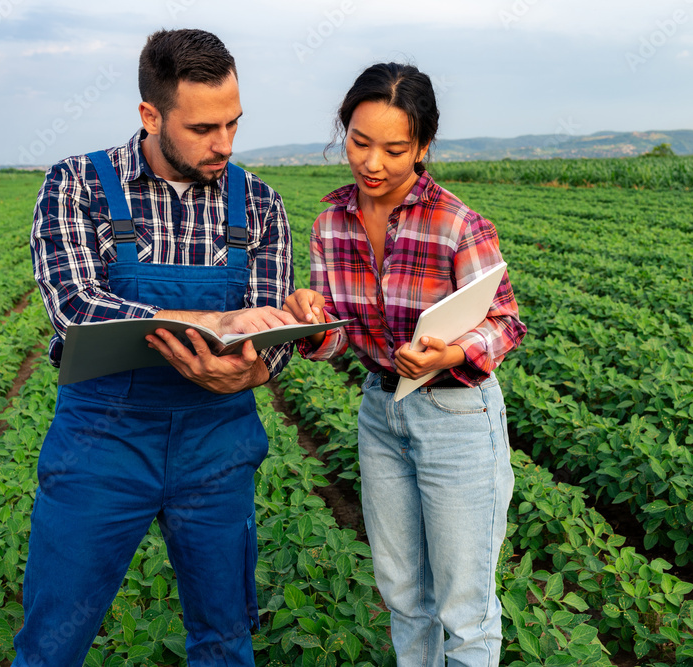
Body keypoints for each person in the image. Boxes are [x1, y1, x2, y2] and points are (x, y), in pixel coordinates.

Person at [18, 29, 294, 666]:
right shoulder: (77, 186)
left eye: (233, 123)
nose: (223, 143)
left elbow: (269, 324)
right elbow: (77, 307)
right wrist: (212, 319)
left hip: (217, 444)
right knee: (51, 641)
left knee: (225, 639)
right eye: (203, 128)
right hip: (102, 444)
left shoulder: (258, 202)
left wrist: (256, 370)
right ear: (151, 114)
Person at [283, 62, 527, 667]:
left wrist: (451, 352)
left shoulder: (457, 224)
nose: (373, 163)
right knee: (401, 592)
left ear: (421, 147)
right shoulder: (330, 225)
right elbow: (338, 339)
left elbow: (505, 323)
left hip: (455, 413)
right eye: (360, 142)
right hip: (380, 409)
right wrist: (310, 321)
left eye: (394, 149)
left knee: (464, 608)